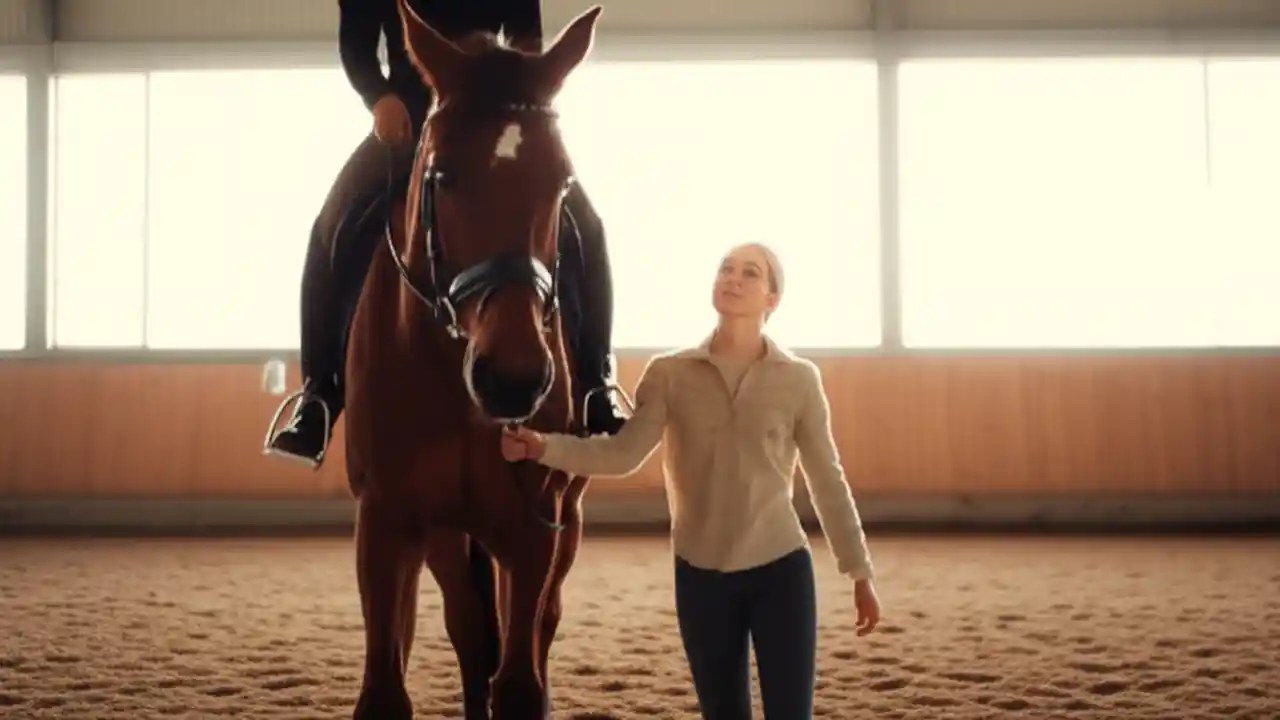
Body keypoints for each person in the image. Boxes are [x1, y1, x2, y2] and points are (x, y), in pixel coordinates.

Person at [501, 242, 882, 719]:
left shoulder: (799, 379)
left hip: (781, 569)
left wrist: (859, 571)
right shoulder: (670, 373)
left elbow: (828, 478)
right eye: (726, 269)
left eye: (750, 273)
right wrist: (543, 447)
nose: (733, 279)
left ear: (772, 299)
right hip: (700, 576)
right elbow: (622, 454)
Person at [264, 0, 628, 468]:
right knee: (334, 222)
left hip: (498, 112)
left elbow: (527, 41)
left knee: (586, 225)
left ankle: (597, 383)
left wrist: (524, 100)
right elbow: (357, 45)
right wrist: (379, 97)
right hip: (413, 117)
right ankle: (318, 395)